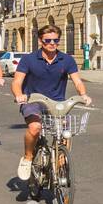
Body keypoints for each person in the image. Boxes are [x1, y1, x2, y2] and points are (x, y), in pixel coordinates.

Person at [11, 24, 91, 181]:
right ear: (41, 40)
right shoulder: (29, 59)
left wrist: (84, 95)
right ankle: (27, 158)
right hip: (33, 101)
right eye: (48, 40)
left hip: (56, 103)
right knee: (35, 128)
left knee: (65, 132)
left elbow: (77, 81)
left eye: (56, 40)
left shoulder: (66, 60)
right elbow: (16, 82)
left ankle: (60, 163)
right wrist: (19, 95)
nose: (52, 43)